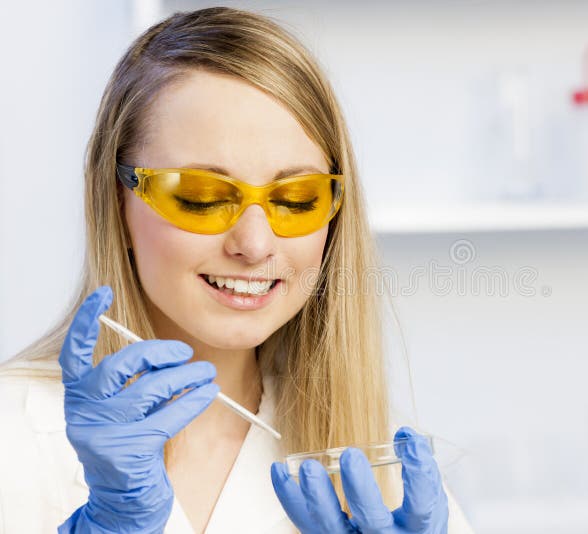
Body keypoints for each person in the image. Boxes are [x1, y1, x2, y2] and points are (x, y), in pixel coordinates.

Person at [0, 7, 473, 533]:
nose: (253, 244)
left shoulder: (386, 479)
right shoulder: (11, 433)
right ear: (117, 204)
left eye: (295, 199)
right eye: (201, 197)